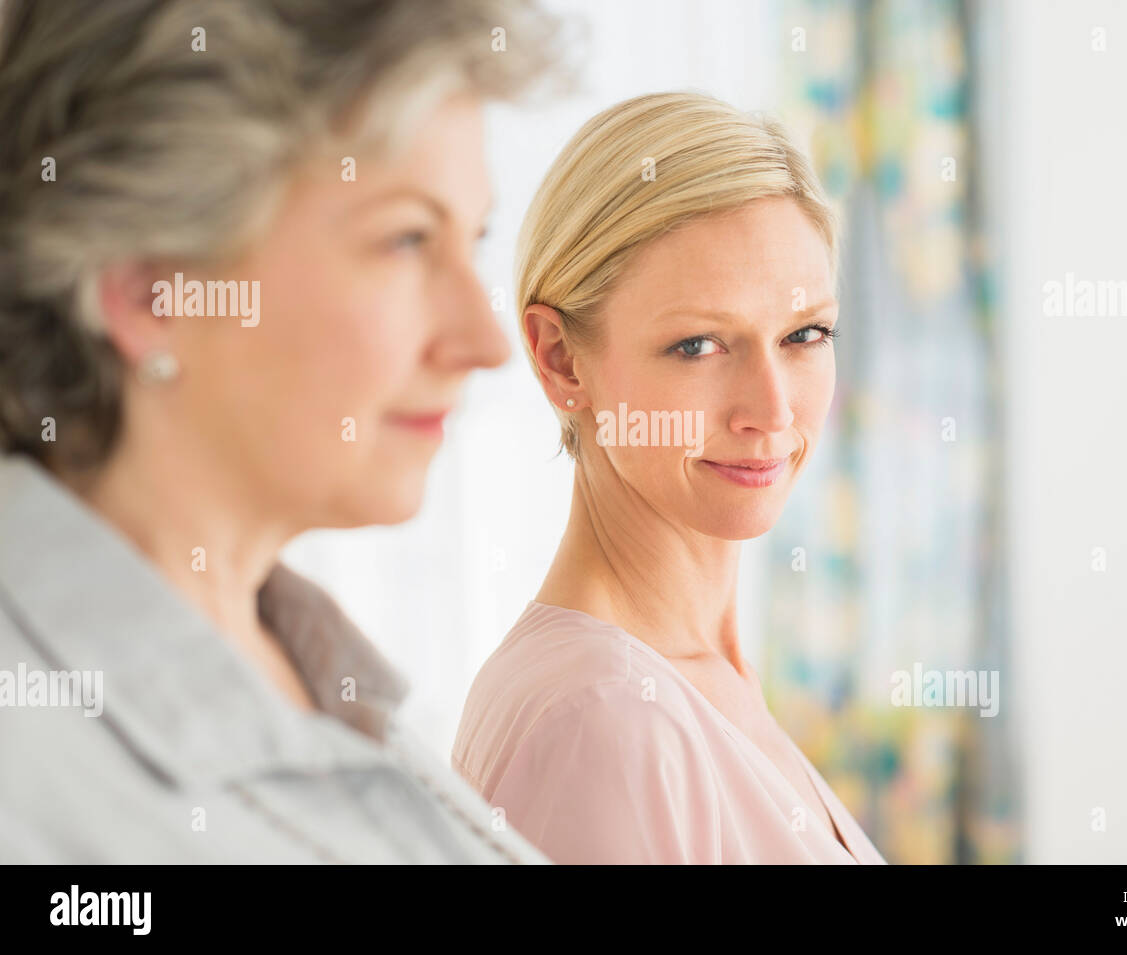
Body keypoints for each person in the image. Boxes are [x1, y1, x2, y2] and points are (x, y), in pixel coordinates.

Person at [0, 0, 563, 863]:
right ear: (157, 293)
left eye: (474, 238)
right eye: (408, 240)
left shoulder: (321, 680)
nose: (486, 344)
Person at [453, 91, 888, 864]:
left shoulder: (689, 676)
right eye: (698, 346)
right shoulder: (606, 717)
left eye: (804, 333)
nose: (772, 411)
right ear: (560, 358)